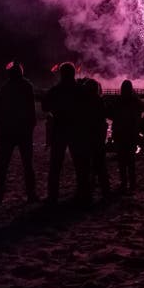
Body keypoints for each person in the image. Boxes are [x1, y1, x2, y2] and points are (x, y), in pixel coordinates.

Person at [0, 62, 38, 204]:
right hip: (23, 130)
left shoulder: (5, 88)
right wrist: (30, 126)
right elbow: (31, 110)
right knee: (27, 164)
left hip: (7, 130)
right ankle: (31, 195)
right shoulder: (27, 87)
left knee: (3, 165)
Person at [43, 62, 84, 204]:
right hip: (76, 129)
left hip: (60, 128)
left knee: (55, 165)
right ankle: (82, 192)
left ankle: (53, 195)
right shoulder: (80, 90)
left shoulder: (56, 90)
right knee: (79, 163)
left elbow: (45, 106)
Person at [109, 80, 143, 192]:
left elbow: (112, 115)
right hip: (131, 134)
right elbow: (140, 113)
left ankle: (124, 183)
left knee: (122, 160)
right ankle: (132, 184)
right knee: (131, 160)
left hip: (120, 133)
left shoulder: (118, 101)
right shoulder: (135, 101)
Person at [80, 78, 110, 202]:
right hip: (98, 138)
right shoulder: (99, 101)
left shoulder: (83, 102)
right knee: (100, 165)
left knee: (86, 166)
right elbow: (104, 118)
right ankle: (105, 191)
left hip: (86, 137)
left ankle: (87, 191)